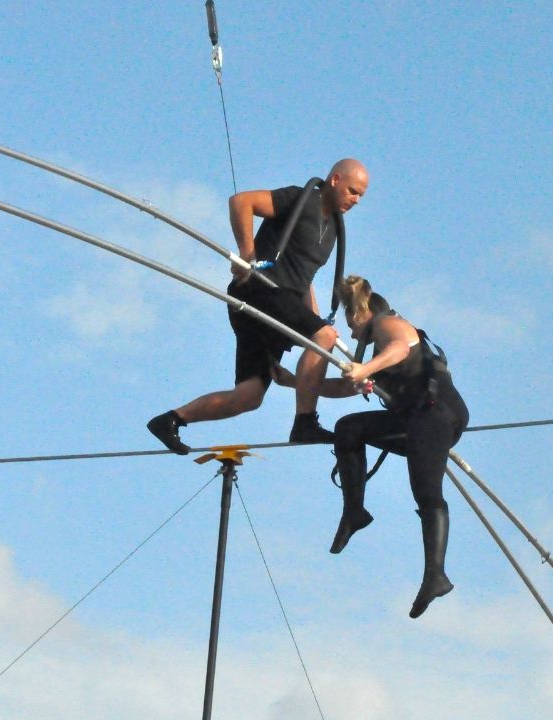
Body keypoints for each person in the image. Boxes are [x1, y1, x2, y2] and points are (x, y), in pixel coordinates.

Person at [147, 159, 370, 454]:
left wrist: (313, 319)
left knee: (249, 396)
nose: (356, 200)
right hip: (260, 291)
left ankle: (171, 419)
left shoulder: (332, 231)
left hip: (281, 304)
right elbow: (241, 201)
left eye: (361, 196)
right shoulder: (299, 198)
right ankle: (305, 422)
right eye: (353, 191)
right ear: (335, 180)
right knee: (325, 336)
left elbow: (305, 279)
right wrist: (247, 256)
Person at [309, 275, 470, 618]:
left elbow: (402, 347)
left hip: (436, 413)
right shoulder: (377, 349)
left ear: (359, 315)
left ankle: (436, 575)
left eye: (351, 326)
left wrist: (367, 366)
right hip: (415, 419)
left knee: (426, 492)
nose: (351, 335)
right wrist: (297, 382)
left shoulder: (387, 324)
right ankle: (354, 511)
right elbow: (346, 387)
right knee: (349, 429)